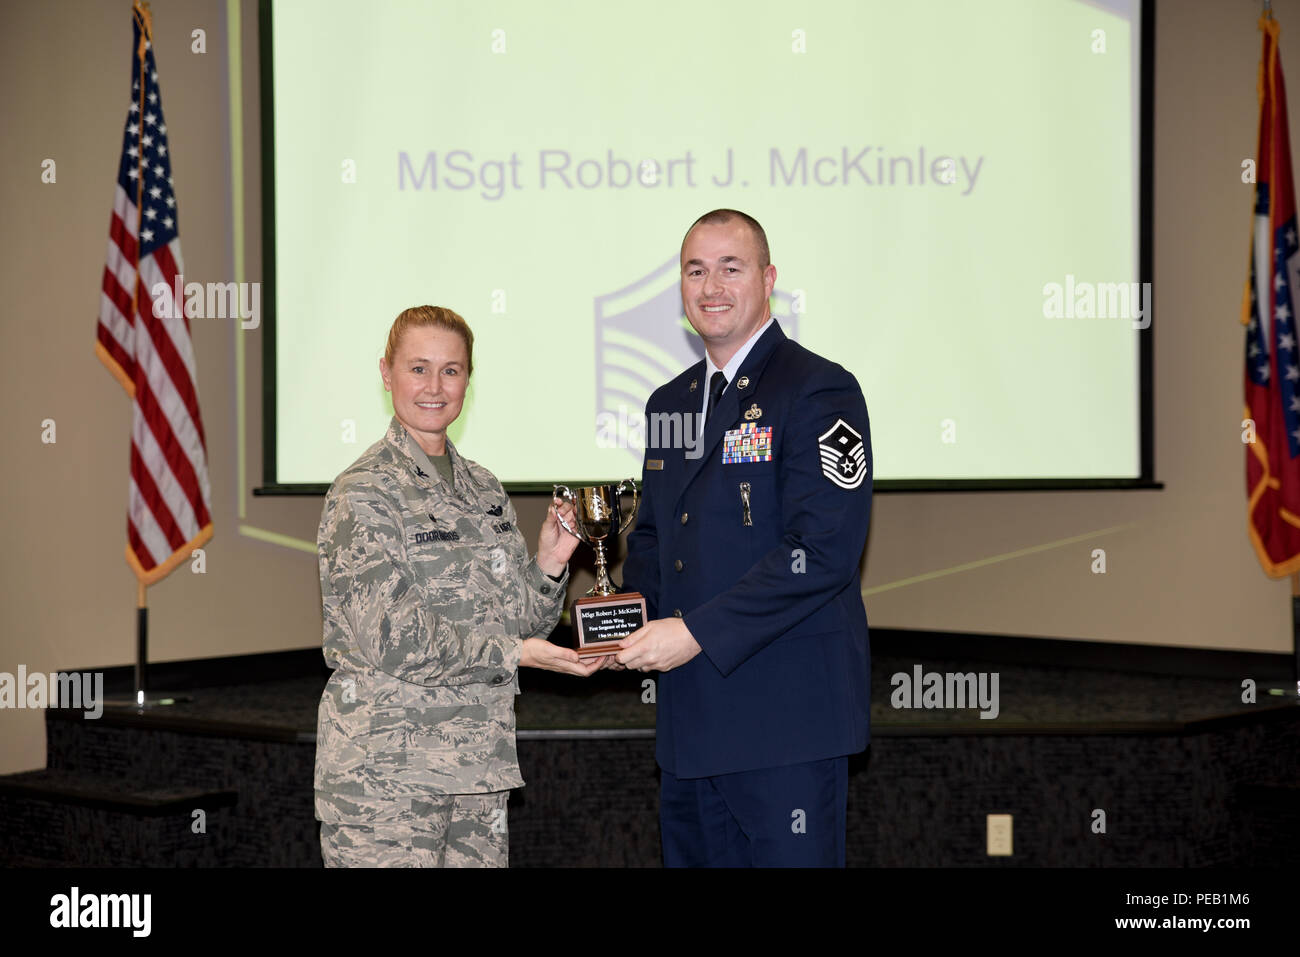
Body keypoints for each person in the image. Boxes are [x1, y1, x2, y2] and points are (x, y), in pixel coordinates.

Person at [618, 209, 872, 867]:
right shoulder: (669, 402)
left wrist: (693, 631)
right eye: (695, 270)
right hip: (689, 728)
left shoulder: (818, 389)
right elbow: (653, 540)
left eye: (731, 267)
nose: (711, 286)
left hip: (784, 724)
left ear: (769, 279)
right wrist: (618, 624)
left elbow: (822, 552)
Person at [314, 304, 602, 868]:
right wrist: (516, 652)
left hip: (478, 773)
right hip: (386, 781)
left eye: (452, 370)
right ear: (386, 372)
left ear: (468, 378)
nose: (435, 386)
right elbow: (395, 639)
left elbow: (524, 621)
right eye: (418, 368)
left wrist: (547, 565)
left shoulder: (484, 488)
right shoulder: (363, 493)